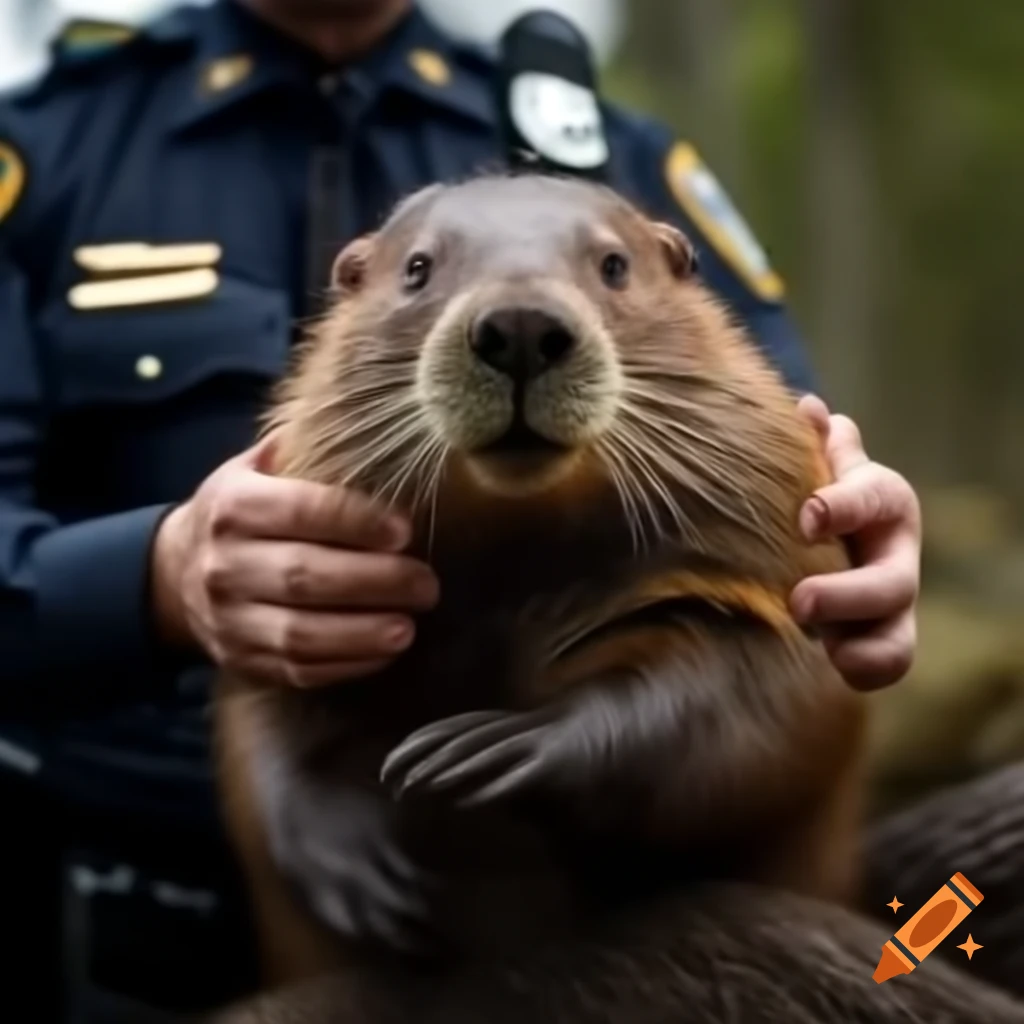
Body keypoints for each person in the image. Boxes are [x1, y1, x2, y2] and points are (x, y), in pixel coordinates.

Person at [0, 0, 920, 1016]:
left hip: (670, 904)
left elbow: (801, 463)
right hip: (125, 934)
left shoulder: (610, 149)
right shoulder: (45, 150)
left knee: (940, 921)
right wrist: (158, 577)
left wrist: (865, 531)